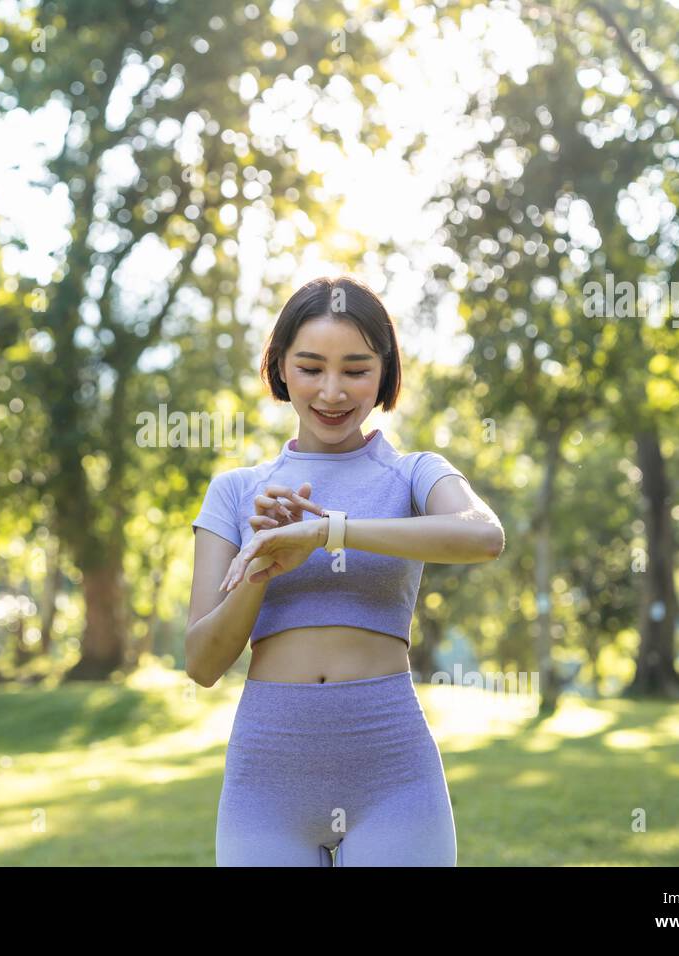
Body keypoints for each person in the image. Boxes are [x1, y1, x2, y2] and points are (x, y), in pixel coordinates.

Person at [186, 275, 505, 866]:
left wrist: (328, 529)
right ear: (280, 367)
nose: (332, 392)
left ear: (384, 372)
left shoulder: (414, 473)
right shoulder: (236, 493)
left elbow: (484, 536)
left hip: (393, 777)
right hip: (267, 784)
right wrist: (262, 561)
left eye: (355, 369)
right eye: (311, 368)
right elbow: (202, 664)